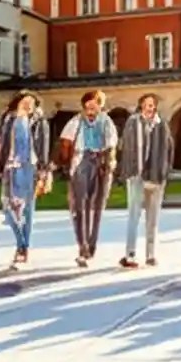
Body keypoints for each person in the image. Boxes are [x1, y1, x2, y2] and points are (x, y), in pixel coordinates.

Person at [0, 90, 51, 269]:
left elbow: (44, 148)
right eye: (25, 102)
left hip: (30, 168)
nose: (28, 105)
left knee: (27, 210)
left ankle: (22, 249)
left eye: (32, 103)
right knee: (8, 208)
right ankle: (21, 242)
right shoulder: (7, 120)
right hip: (10, 168)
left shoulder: (40, 123)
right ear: (17, 103)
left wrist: (43, 172)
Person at [59, 90, 119, 268]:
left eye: (94, 106)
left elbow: (112, 144)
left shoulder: (107, 122)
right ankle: (82, 247)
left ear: (100, 105)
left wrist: (110, 161)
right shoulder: (76, 121)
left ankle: (92, 244)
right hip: (81, 161)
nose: (91, 110)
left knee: (98, 206)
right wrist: (63, 164)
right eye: (88, 106)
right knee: (80, 206)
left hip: (101, 161)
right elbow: (64, 142)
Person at [117, 93, 174, 268]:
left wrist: (165, 172)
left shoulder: (162, 124)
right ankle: (130, 254)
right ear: (141, 105)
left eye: (153, 105)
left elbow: (169, 148)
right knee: (133, 216)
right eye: (147, 104)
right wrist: (126, 170)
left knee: (153, 218)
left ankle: (151, 254)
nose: (150, 108)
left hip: (156, 176)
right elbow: (125, 147)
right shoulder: (133, 123)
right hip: (137, 175)